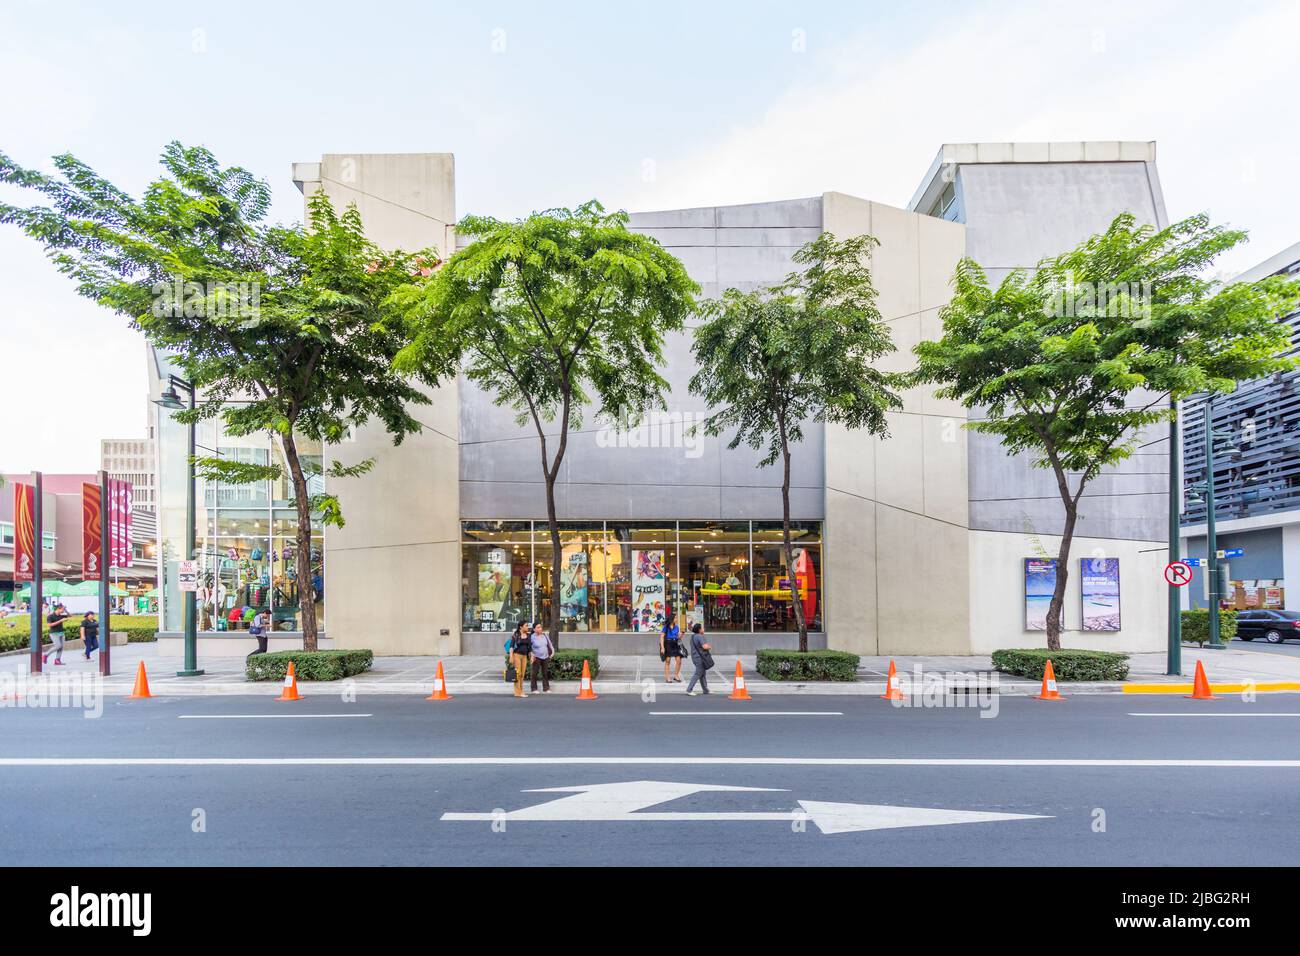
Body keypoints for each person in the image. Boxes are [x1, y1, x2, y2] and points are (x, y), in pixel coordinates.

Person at [685, 622, 712, 696]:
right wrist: (710, 647)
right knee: (698, 673)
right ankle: (689, 689)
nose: (704, 629)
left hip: (695, 657)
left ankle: (705, 690)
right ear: (699, 630)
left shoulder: (693, 636)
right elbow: (705, 646)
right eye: (702, 628)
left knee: (702, 674)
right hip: (700, 658)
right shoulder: (700, 636)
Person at [660, 608, 684, 683]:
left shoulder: (677, 627)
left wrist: (681, 635)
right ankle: (667, 677)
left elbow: (678, 637)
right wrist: (662, 648)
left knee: (679, 661)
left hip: (675, 643)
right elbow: (661, 637)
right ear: (672, 619)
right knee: (668, 661)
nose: (677, 619)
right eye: (676, 617)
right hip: (668, 644)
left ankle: (676, 676)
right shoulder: (665, 627)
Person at [509, 623, 533, 698]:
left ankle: (521, 691)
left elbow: (530, 647)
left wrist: (531, 656)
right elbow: (511, 646)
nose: (527, 627)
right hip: (517, 656)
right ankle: (518, 692)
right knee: (517, 674)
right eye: (526, 626)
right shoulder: (516, 635)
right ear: (521, 627)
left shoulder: (528, 635)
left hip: (524, 656)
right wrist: (511, 656)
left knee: (522, 674)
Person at [530, 621, 555, 694]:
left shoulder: (545, 635)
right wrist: (532, 655)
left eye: (540, 627)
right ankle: (534, 688)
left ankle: (546, 688)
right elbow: (529, 648)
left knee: (545, 673)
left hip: (546, 657)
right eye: (538, 627)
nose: (540, 629)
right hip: (536, 657)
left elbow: (549, 644)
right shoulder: (531, 637)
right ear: (534, 629)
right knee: (534, 673)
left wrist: (552, 652)